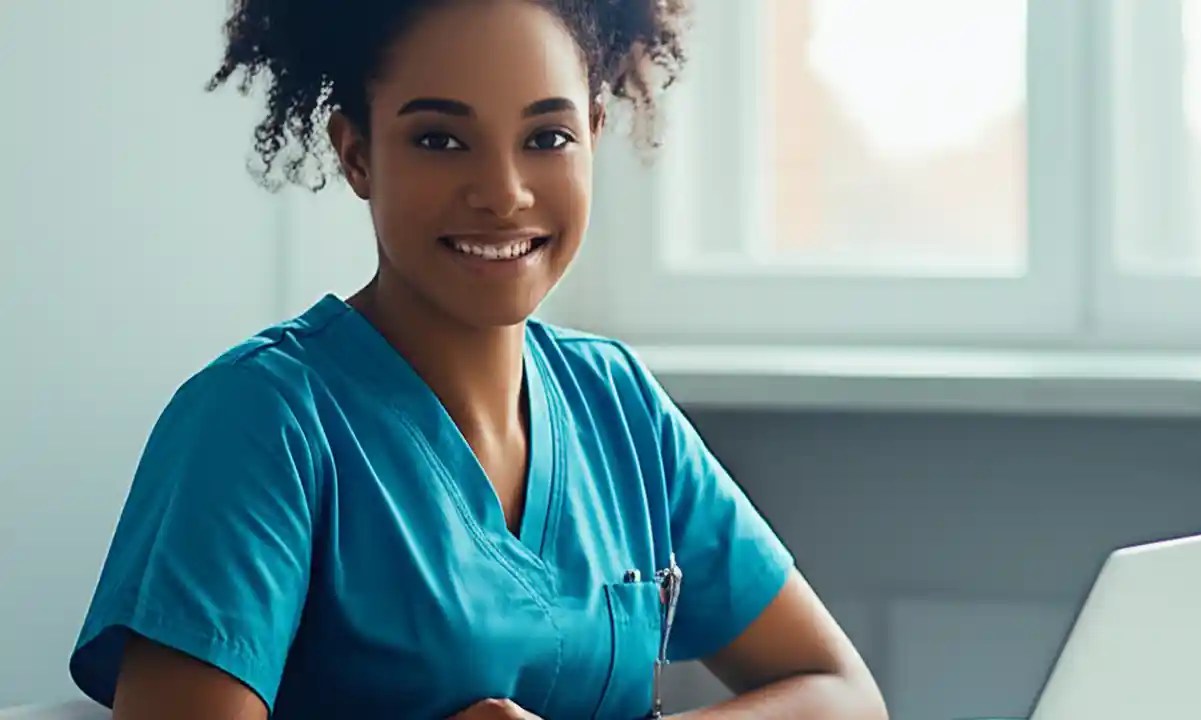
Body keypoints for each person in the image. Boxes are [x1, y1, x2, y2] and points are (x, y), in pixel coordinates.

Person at [68, 1, 889, 718]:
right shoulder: (261, 423)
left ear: (593, 137)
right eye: (439, 139)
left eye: (547, 137)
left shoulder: (620, 407)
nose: (503, 191)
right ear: (356, 153)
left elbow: (842, 693)